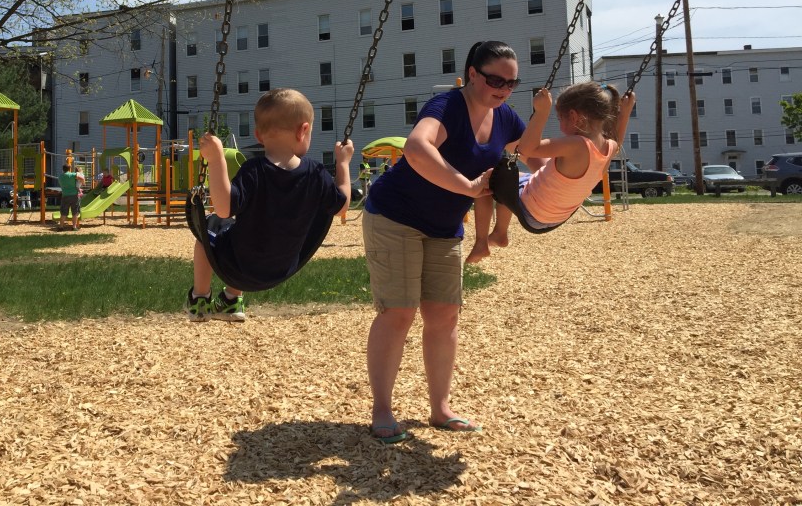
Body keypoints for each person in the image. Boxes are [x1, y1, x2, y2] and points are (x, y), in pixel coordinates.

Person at [362, 40, 538, 443]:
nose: (504, 89)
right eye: (496, 79)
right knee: (399, 312)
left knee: (444, 316)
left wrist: (583, 157)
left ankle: (440, 409)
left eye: (512, 83)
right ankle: (382, 410)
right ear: (473, 73)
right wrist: (466, 186)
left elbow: (536, 156)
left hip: (444, 227)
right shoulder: (446, 107)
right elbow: (416, 147)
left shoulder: (506, 117)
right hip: (395, 216)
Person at [184, 88, 353, 323]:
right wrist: (343, 163)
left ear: (258, 135)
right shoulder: (316, 174)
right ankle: (231, 300)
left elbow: (224, 208)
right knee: (236, 229)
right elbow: (342, 206)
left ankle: (200, 299)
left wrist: (216, 160)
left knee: (209, 230)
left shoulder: (254, 170)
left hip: (238, 266)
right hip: (281, 268)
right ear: (304, 131)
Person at [467, 84, 636, 263]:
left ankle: (482, 242)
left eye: (559, 118)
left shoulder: (576, 144)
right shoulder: (610, 147)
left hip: (533, 212)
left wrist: (541, 112)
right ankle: (500, 233)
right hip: (557, 216)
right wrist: (624, 113)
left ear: (573, 117)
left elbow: (525, 149)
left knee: (488, 178)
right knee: (515, 177)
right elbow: (617, 138)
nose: (559, 123)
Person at [58, 163, 85, 230]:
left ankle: (61, 227)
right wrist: (83, 182)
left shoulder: (60, 176)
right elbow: (81, 177)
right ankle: (74, 227)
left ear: (62, 169)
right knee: (75, 212)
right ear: (69, 169)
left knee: (63, 212)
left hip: (65, 195)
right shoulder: (72, 174)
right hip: (74, 196)